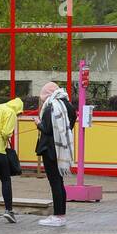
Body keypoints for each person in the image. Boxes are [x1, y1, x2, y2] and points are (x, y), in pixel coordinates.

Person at [35, 81, 75, 226]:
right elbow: (70, 124)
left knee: (55, 182)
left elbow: (47, 129)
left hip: (50, 149)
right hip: (62, 148)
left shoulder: (51, 106)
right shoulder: (67, 105)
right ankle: (61, 214)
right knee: (60, 182)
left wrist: (38, 123)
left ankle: (58, 216)